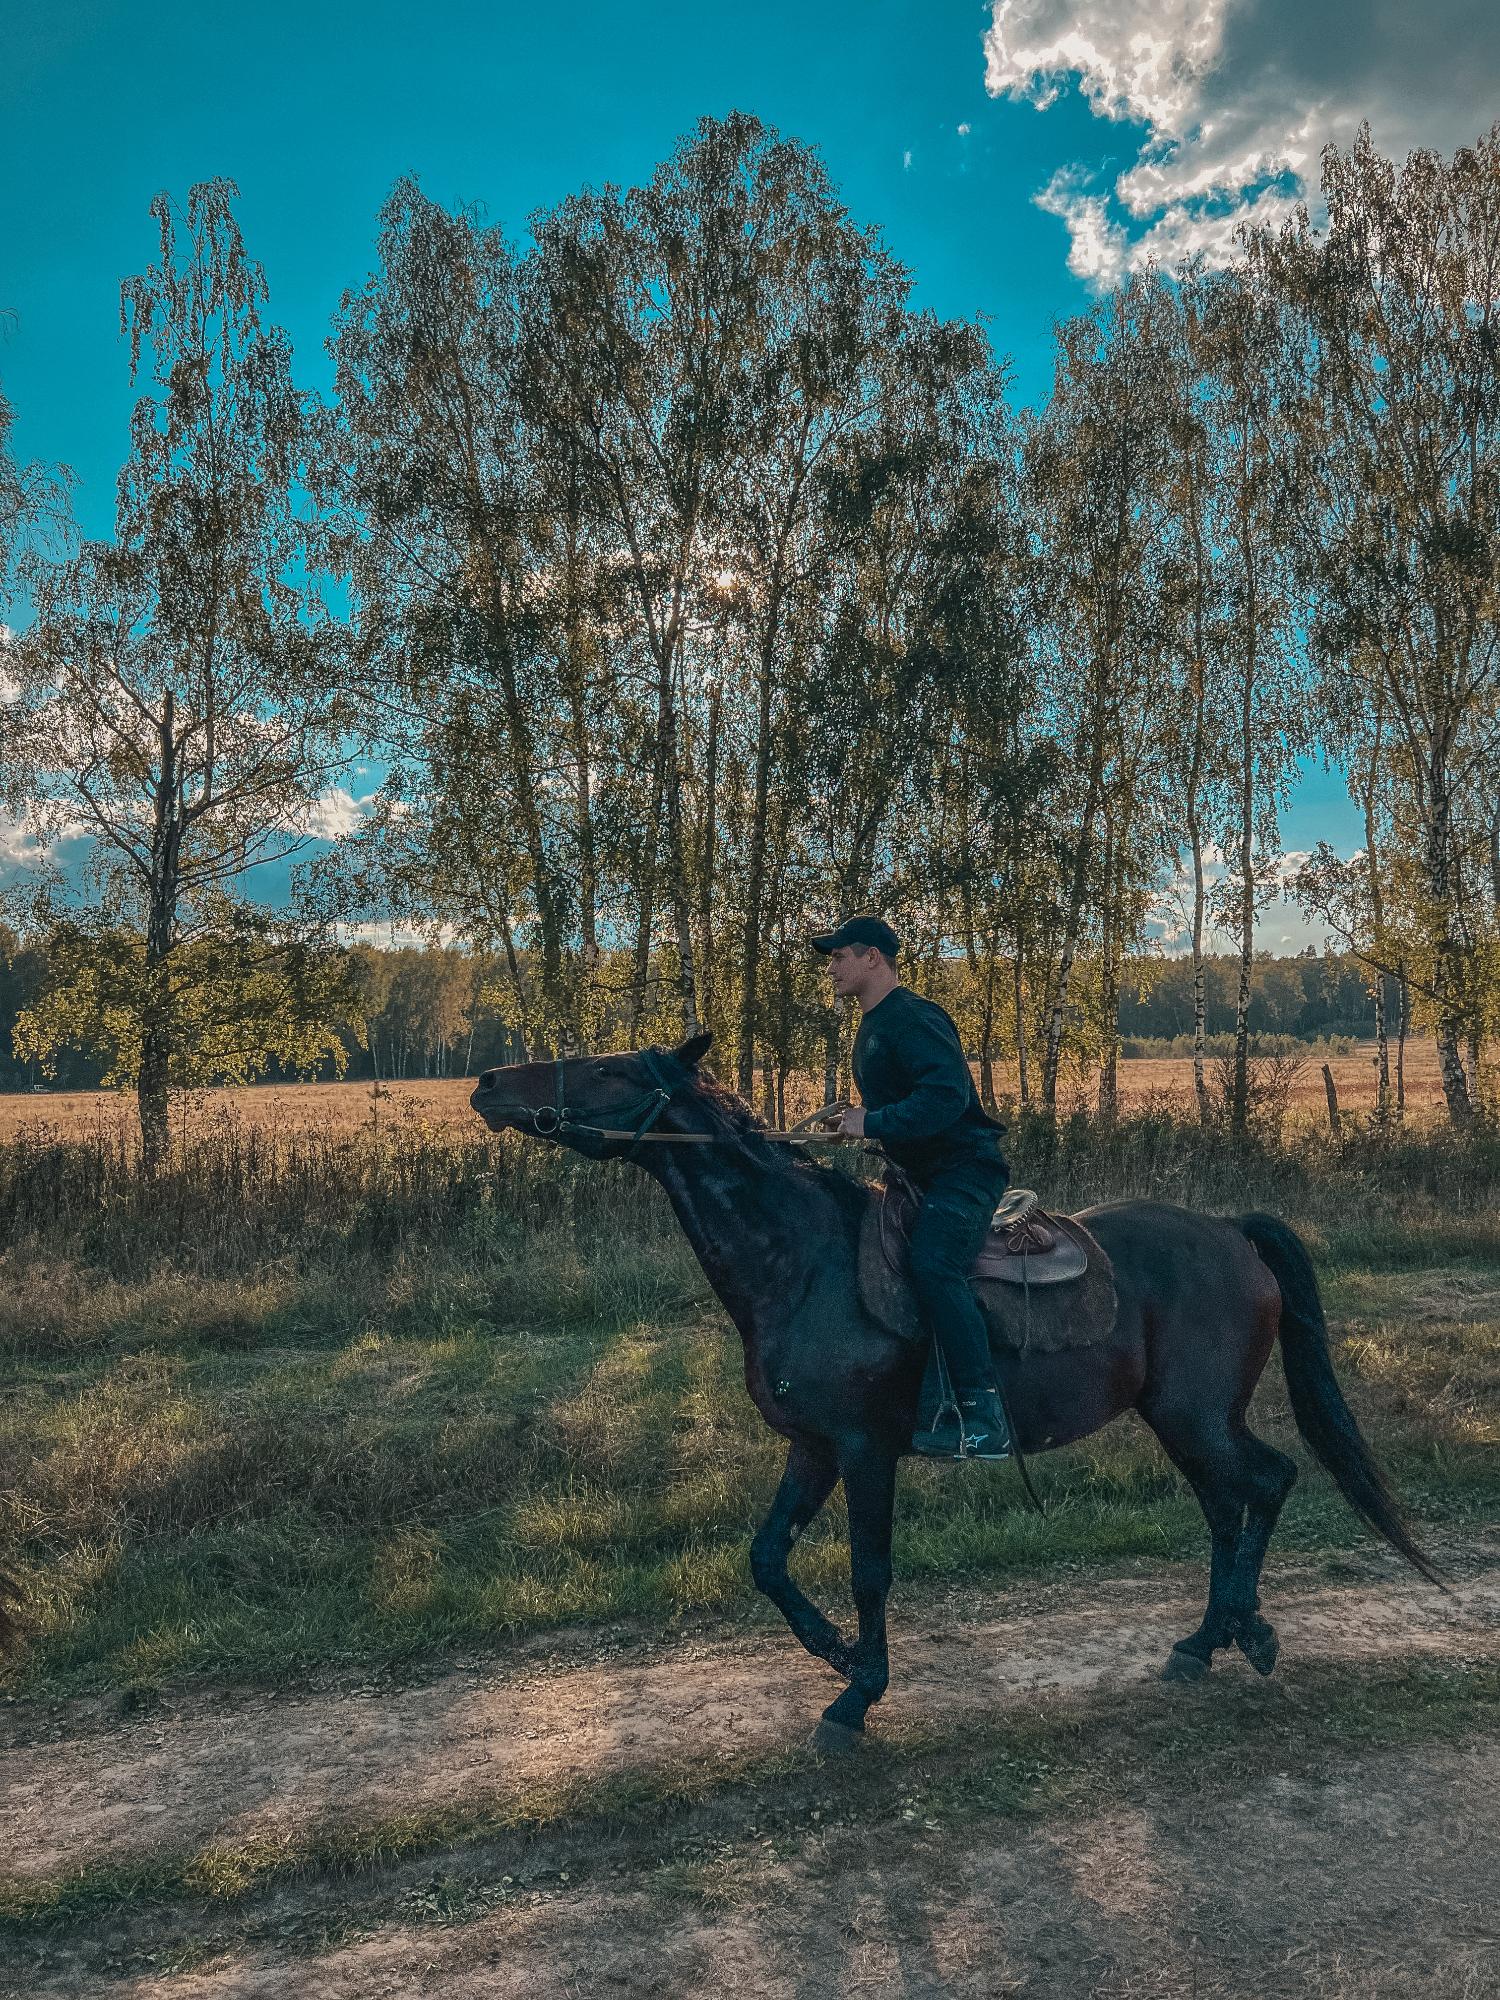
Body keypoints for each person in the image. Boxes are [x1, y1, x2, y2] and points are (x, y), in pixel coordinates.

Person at [810, 915, 1012, 1461]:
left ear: (872, 957)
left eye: (838, 956)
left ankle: (982, 1413)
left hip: (963, 1172)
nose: (830, 967)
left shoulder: (914, 1018)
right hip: (916, 1176)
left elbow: (945, 1099)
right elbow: (904, 1105)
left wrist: (870, 1123)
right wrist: (855, 1120)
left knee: (933, 1266)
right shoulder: (873, 1023)